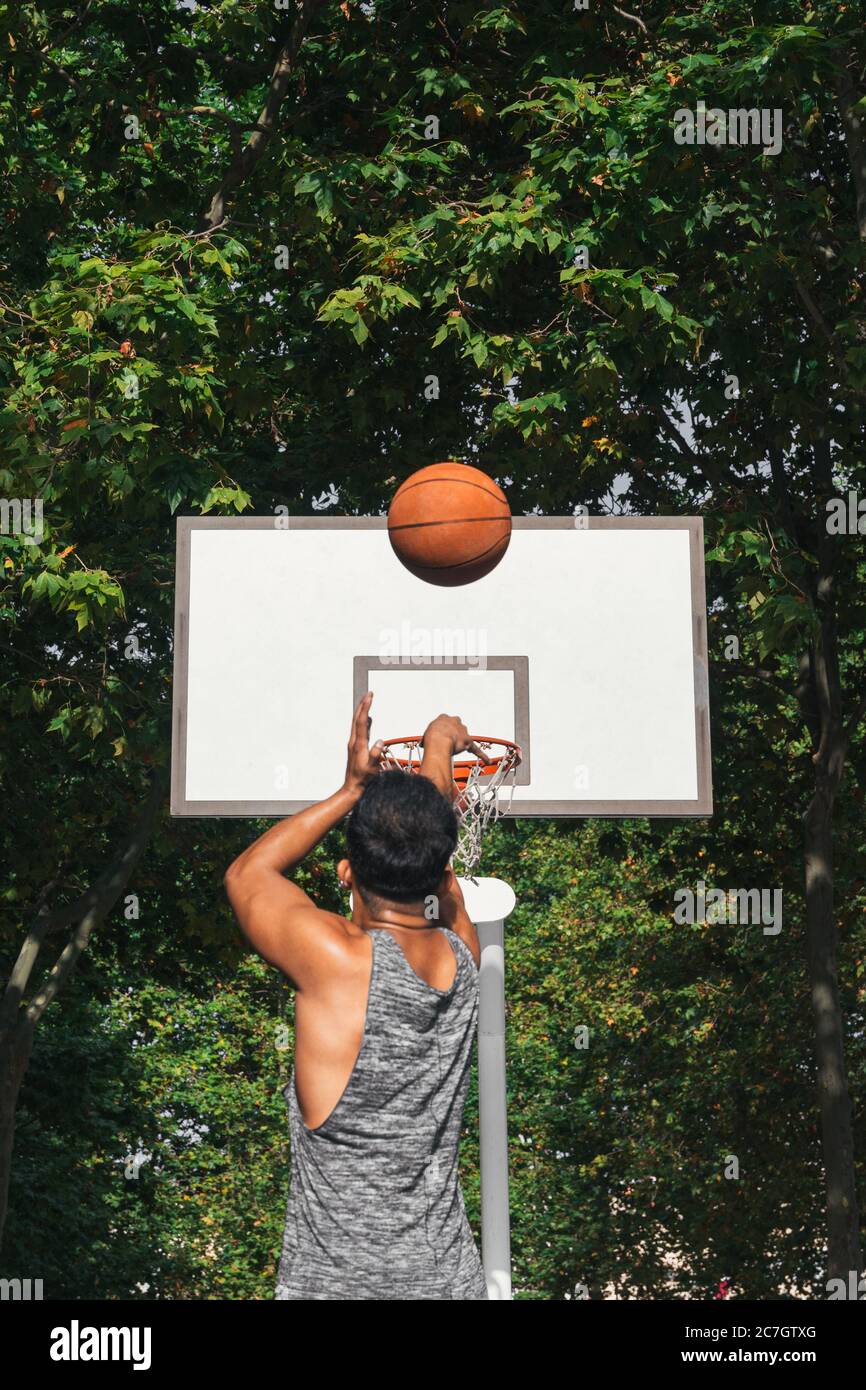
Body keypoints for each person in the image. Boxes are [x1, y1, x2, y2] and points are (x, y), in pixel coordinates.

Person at [223, 693, 490, 1300]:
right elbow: (432, 860)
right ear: (444, 869)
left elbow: (249, 875)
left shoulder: (336, 962)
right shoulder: (465, 956)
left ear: (347, 872)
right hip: (449, 1283)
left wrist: (350, 790)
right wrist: (438, 748)